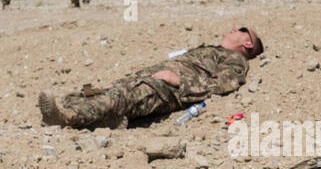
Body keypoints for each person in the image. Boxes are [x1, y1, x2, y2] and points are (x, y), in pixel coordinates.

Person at [38, 27, 263, 130]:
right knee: (103, 91)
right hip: (149, 78)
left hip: (166, 89)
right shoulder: (213, 50)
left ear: (248, 44)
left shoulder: (235, 60)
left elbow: (222, 84)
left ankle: (67, 117)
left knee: (121, 97)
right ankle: (71, 110)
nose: (234, 28)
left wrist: (180, 83)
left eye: (242, 30)